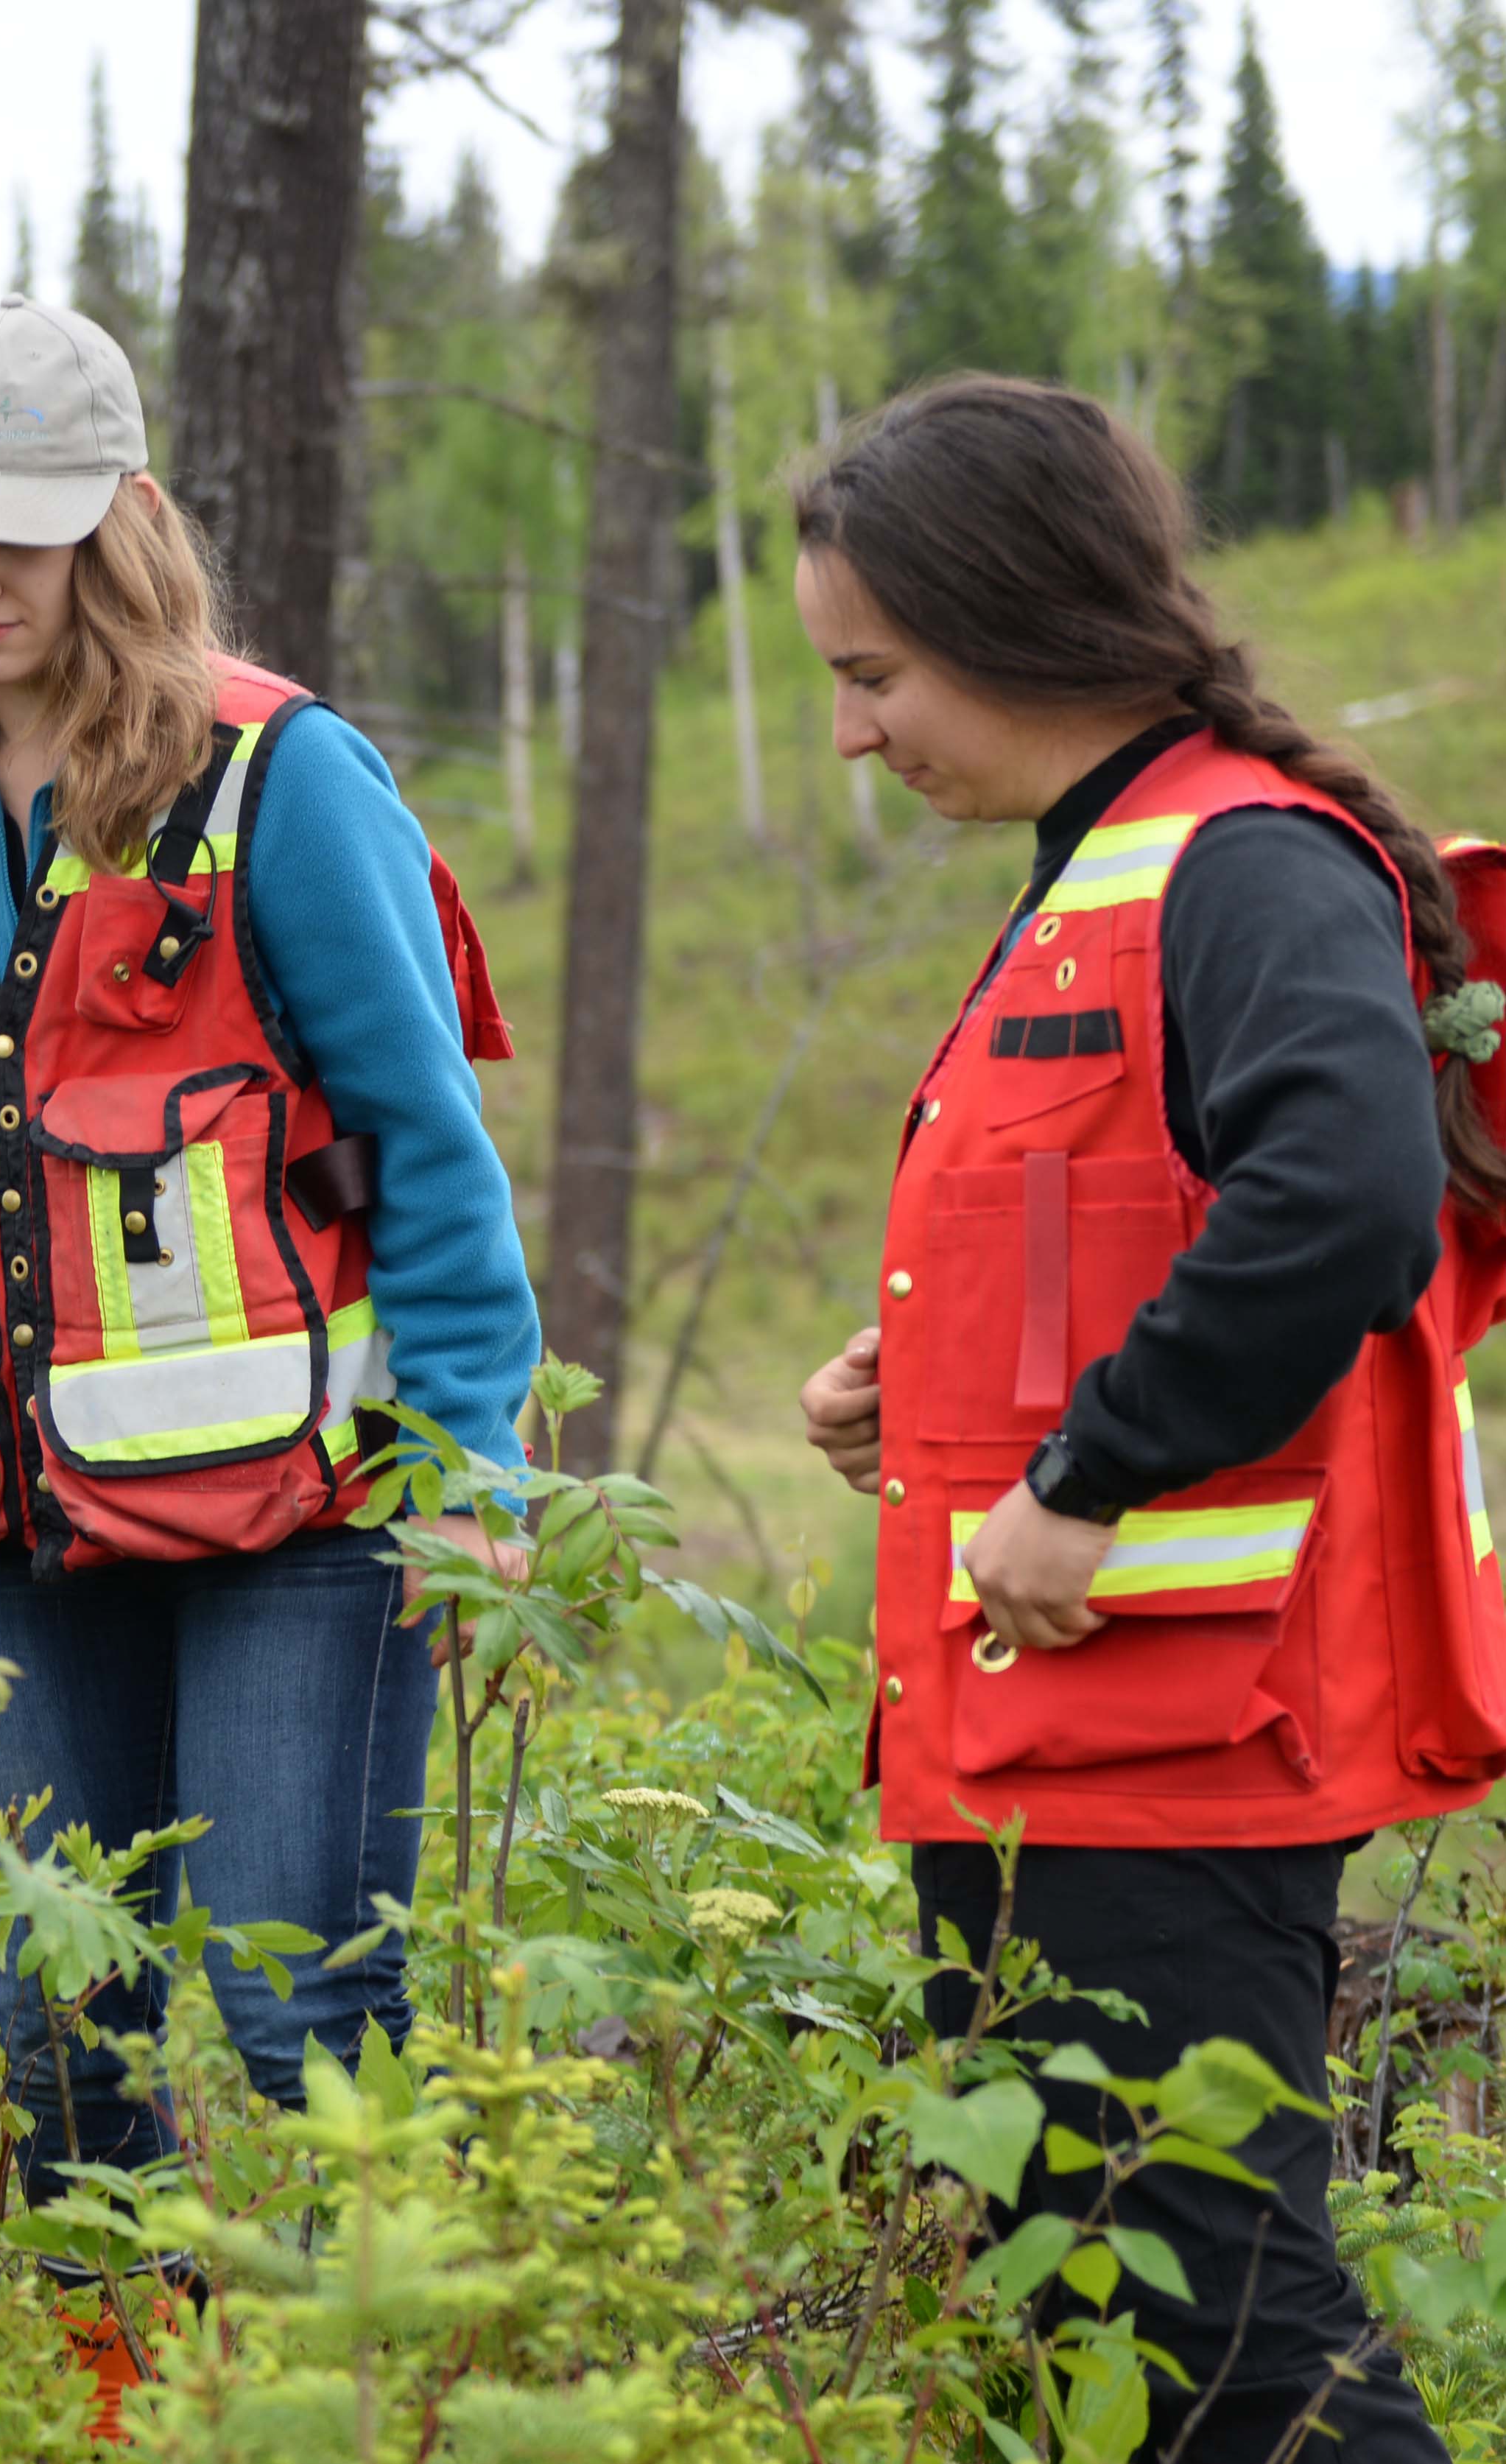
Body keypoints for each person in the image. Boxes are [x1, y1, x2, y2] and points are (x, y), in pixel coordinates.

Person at [0, 297, 540, 2388]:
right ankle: (118, 2405)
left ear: (117, 524)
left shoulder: (278, 781)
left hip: (304, 1520)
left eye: (14, 533)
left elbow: (428, 1150)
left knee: (299, 1989)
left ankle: (357, 2400)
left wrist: (475, 1478)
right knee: (53, 2010)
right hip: (29, 1531)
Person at [791, 374, 1505, 2463]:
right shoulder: (1106, 857)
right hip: (1061, 1746)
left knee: (1228, 2333)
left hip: (1178, 1750)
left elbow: (1341, 1199)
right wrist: (912, 1381)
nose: (850, 729)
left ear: (1015, 622)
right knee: (1099, 2296)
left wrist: (1089, 1466)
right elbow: (1138, 1207)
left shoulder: (1236, 863)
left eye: (872, 672)